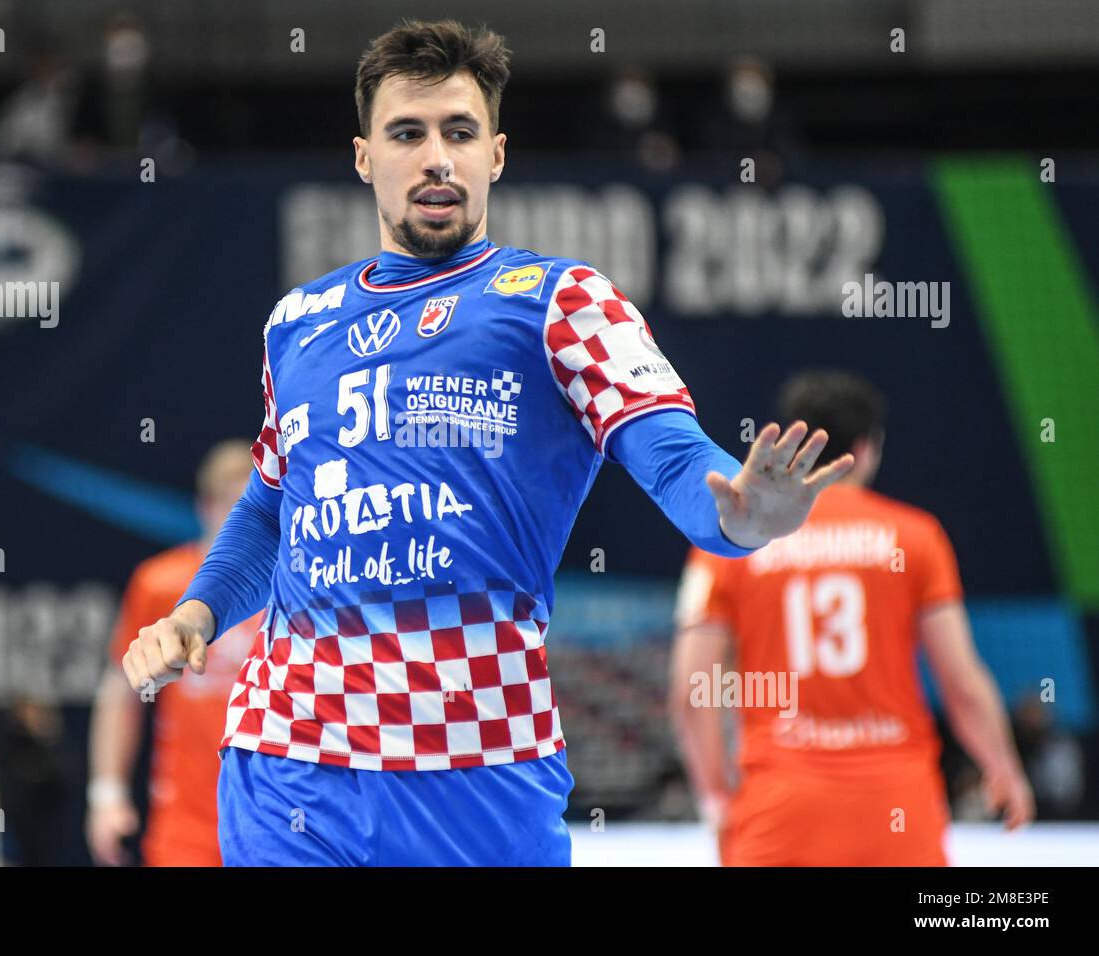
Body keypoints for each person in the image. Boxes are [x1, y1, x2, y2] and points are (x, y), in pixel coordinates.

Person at [121, 19, 854, 867]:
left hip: (478, 771)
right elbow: (275, 505)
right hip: (291, 766)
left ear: (495, 155)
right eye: (408, 133)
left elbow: (682, 461)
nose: (437, 158)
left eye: (459, 133)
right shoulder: (298, 323)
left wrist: (746, 515)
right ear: (365, 158)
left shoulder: (560, 303)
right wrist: (197, 612)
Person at [671, 370, 1034, 866]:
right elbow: (961, 684)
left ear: (792, 443)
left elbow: (693, 691)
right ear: (866, 448)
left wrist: (715, 797)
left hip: (779, 811)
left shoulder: (733, 542)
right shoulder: (916, 538)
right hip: (896, 808)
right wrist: (1004, 768)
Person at [88, 441, 262, 866]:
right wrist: (106, 795)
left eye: (254, 507)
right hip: (185, 828)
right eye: (231, 506)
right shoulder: (160, 583)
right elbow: (121, 691)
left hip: (274, 815)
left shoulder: (292, 584)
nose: (243, 522)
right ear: (205, 506)